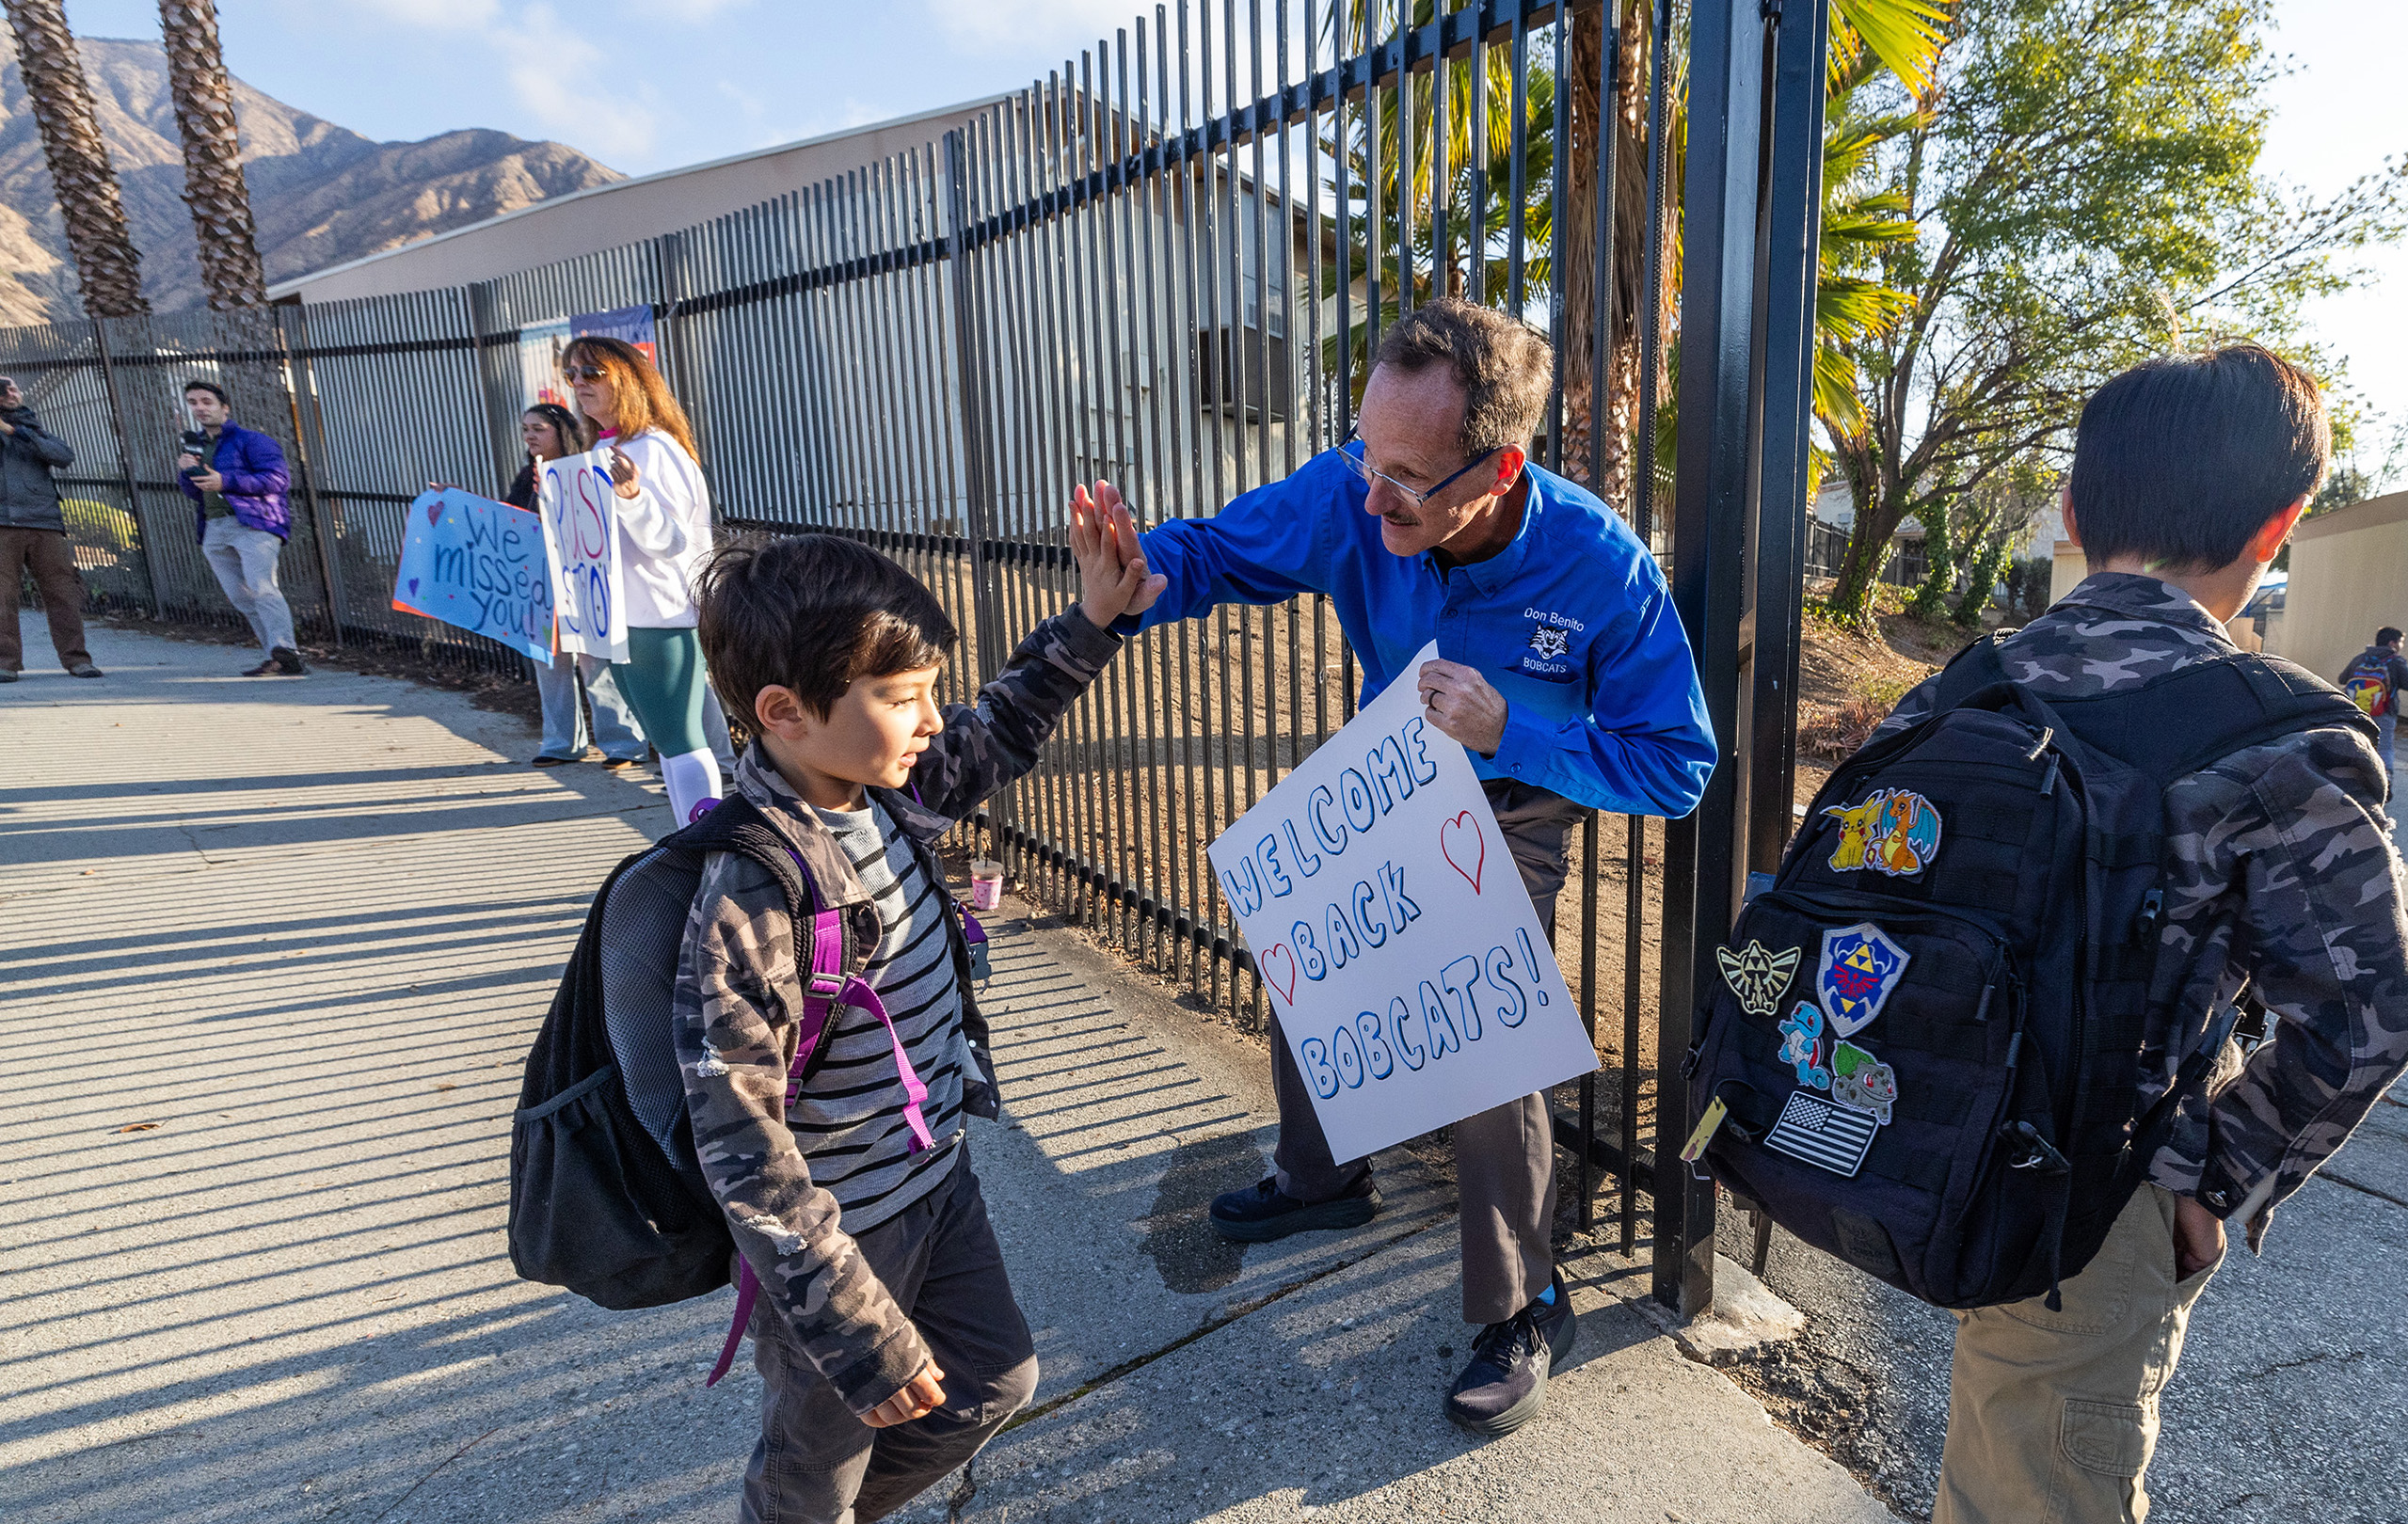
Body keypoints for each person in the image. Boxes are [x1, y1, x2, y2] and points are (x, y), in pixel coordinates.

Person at [1093, 297, 1717, 1435]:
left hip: (1516, 797)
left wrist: (1511, 733)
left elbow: (1677, 766)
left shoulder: (1601, 566)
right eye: (1365, 457)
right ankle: (1322, 1179)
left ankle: (1527, 1300)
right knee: (1306, 935)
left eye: (1408, 479)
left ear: (1501, 468)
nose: (1373, 496)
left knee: (1481, 1017)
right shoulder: (1358, 488)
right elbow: (1220, 551)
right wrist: (1138, 575)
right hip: (1392, 773)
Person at [1869, 344, 2408, 1522]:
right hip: (2099, 1185)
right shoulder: (2277, 738)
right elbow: (2372, 1014)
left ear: (2075, 513)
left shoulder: (1962, 687)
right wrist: (2214, 1178)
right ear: (2278, 526)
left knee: (1997, 1458)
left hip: (1917, 1137)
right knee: (2034, 1486)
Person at [678, 502, 1160, 1523]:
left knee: (992, 1383)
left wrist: (1093, 620)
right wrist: (851, 1324)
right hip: (841, 1239)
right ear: (785, 712)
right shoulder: (754, 894)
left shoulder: (885, 792)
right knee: (815, 1471)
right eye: (901, 697)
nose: (933, 719)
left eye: (929, 690)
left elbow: (1003, 726)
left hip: (937, 1182)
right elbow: (740, 1139)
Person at [561, 336, 730, 821]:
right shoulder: (608, 446)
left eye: (592, 373)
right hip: (620, 618)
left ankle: (705, 842)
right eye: (571, 374)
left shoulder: (655, 448)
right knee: (667, 742)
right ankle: (689, 837)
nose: (578, 383)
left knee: (682, 740)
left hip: (660, 615)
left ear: (629, 380)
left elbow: (672, 541)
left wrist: (633, 499)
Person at [500, 403, 646, 770]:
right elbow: (509, 520)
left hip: (584, 581)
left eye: (538, 429)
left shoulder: (588, 467)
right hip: (540, 586)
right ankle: (560, 744)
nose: (529, 436)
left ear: (561, 431)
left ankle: (624, 745)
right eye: (526, 429)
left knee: (595, 662)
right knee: (549, 664)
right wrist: (456, 498)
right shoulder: (527, 476)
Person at [175, 380, 304, 676]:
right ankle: (275, 657)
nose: (199, 408)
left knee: (263, 588)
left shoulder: (253, 441)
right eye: (193, 402)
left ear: (225, 408)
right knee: (240, 597)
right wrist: (186, 472)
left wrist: (226, 481)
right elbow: (195, 492)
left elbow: (278, 480)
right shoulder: (196, 445)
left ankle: (287, 650)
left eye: (206, 401)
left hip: (254, 523)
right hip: (214, 526)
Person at [0, 375, 101, 682]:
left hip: (44, 522)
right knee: (2, 597)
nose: (11, 393)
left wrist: (15, 431)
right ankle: (6, 663)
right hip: (3, 524)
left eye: (13, 388)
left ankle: (77, 659)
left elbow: (64, 456)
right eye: (3, 390)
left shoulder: (33, 427)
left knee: (62, 593)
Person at [2339, 625, 2408, 772]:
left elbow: (2342, 679)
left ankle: (2351, 773)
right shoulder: (2396, 661)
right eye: (2400, 642)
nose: (2401, 646)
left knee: (2355, 742)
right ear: (2392, 643)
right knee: (2384, 747)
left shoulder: (2360, 658)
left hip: (2356, 709)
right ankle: (2386, 776)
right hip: (2384, 710)